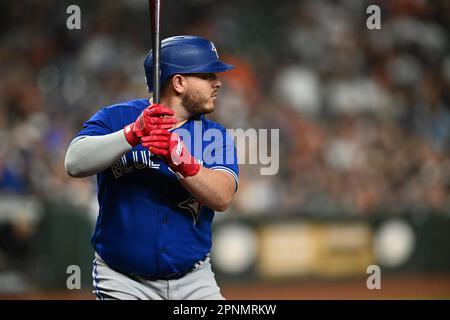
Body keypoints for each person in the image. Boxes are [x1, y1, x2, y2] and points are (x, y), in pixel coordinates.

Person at [64, 35, 239, 300]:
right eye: (207, 76)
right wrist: (133, 133)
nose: (218, 83)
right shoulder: (115, 118)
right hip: (123, 280)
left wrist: (178, 158)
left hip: (194, 281)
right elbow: (74, 163)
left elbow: (223, 196)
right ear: (179, 82)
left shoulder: (214, 135)